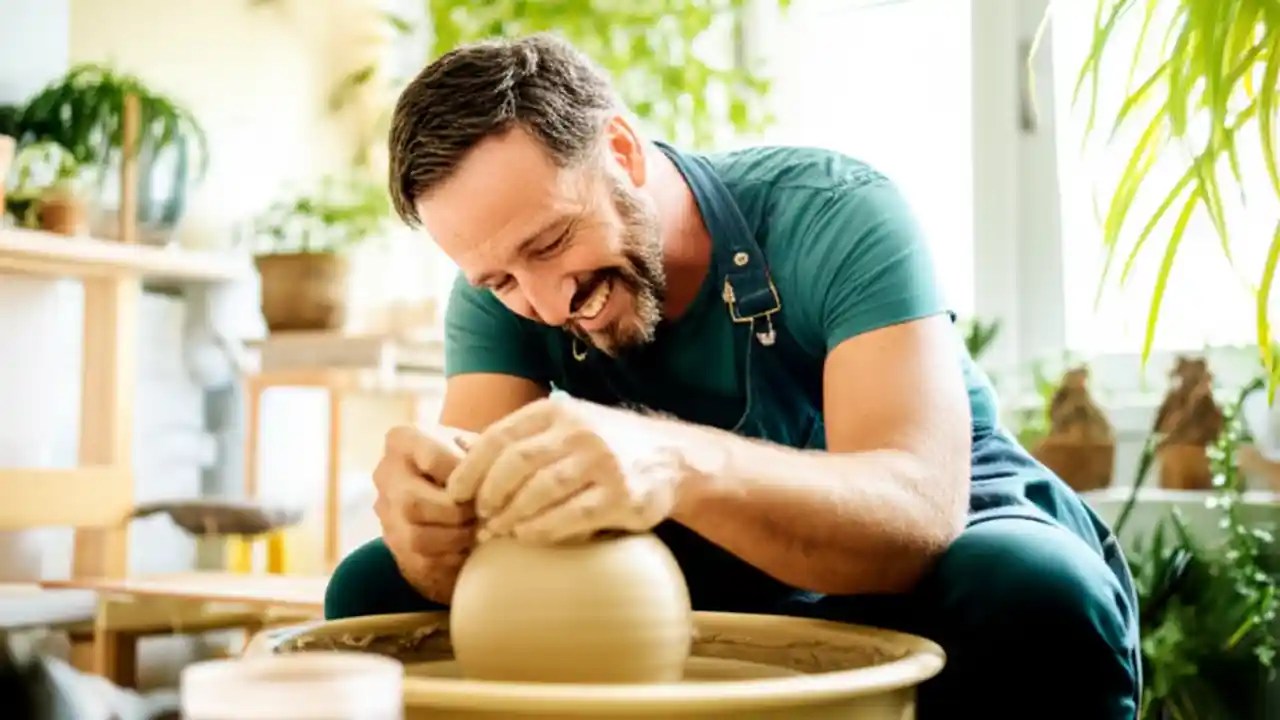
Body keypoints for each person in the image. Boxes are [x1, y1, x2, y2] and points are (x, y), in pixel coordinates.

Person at [324, 33, 1141, 718]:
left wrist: (669, 458)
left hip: (945, 534)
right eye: (498, 280)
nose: (544, 300)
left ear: (619, 151)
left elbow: (914, 515)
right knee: (374, 591)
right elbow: (471, 546)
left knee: (1029, 590)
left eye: (549, 245)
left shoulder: (837, 213)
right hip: (710, 552)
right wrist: (431, 531)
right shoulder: (508, 293)